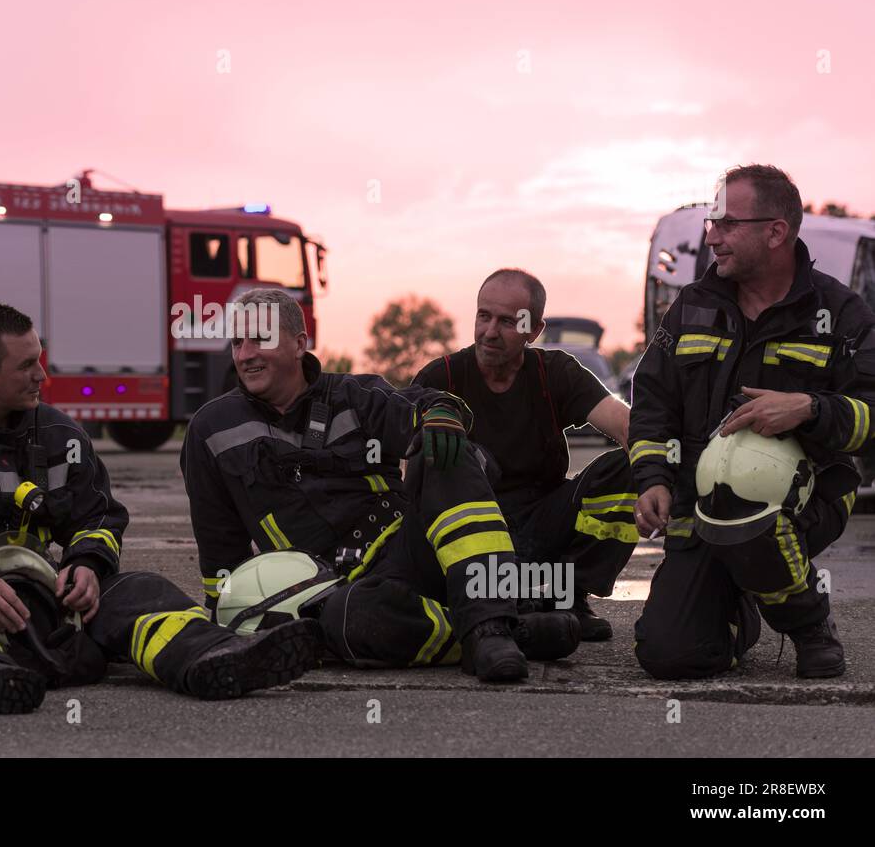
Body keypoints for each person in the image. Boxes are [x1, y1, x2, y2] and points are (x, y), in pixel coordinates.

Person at [0, 302, 322, 715]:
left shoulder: (59, 435)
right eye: (28, 365)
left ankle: (217, 659)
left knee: (141, 589)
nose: (42, 375)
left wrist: (86, 565)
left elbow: (97, 516)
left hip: (45, 602)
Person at [181, 288, 580, 683]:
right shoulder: (211, 429)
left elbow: (421, 403)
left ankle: (491, 624)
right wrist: (221, 615)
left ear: (299, 343)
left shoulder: (354, 396)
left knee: (442, 446)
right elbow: (219, 541)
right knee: (345, 623)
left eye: (260, 339)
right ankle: (511, 631)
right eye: (237, 341)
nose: (245, 354)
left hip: (417, 552)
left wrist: (442, 412)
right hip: (343, 591)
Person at [630, 164, 874, 678]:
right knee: (671, 656)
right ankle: (738, 608)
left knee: (746, 497)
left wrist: (810, 408)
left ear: (776, 231)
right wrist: (653, 478)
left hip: (805, 497)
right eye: (710, 224)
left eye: (726, 224)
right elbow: (653, 402)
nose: (711, 236)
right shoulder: (692, 307)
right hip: (700, 504)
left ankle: (808, 622)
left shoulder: (840, 313)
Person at [412, 269, 637, 639]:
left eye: (506, 321)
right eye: (483, 316)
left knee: (627, 467)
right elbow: (404, 468)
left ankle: (567, 595)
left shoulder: (555, 373)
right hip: (471, 533)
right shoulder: (442, 378)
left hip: (542, 524)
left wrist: (664, 468)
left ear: (534, 330)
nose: (489, 331)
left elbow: (625, 424)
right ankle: (492, 600)